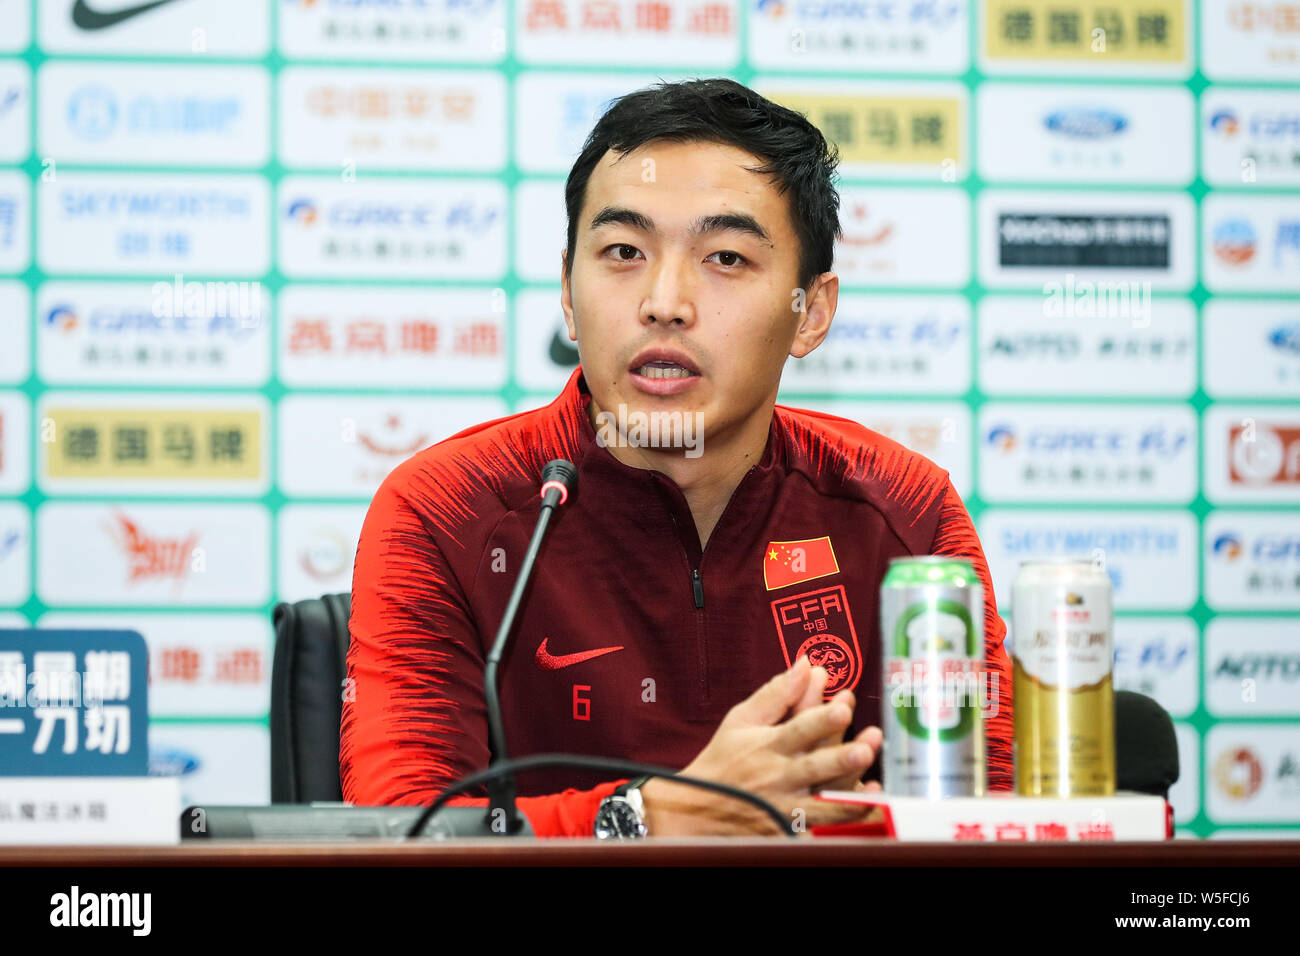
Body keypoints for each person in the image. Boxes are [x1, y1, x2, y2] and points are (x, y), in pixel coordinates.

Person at [340, 77, 1012, 837]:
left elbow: (983, 825)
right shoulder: (447, 510)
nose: (664, 300)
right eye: (623, 251)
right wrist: (646, 818)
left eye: (724, 257)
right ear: (568, 290)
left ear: (811, 311)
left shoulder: (903, 511)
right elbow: (395, 835)